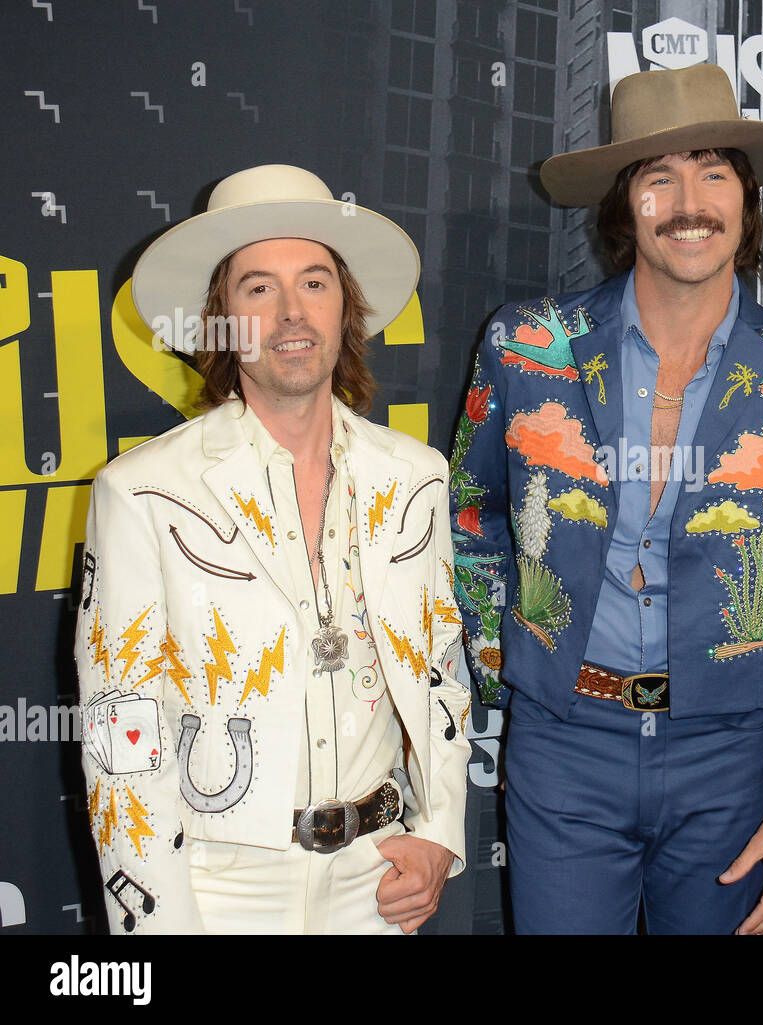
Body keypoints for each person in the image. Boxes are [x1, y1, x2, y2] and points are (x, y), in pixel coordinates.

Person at [450, 64, 763, 934]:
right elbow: (468, 515)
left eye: (714, 173)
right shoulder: (527, 346)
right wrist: (508, 663)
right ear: (624, 203)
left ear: (746, 203)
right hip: (565, 744)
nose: (690, 204)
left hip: (730, 757)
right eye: (659, 177)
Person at [76, 164, 471, 934]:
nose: (292, 311)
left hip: (375, 879)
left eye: (314, 282)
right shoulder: (142, 491)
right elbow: (120, 732)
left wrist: (438, 831)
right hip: (216, 886)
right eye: (259, 288)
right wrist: (159, 924)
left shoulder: (416, 476)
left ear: (345, 308)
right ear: (220, 321)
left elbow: (441, 665)